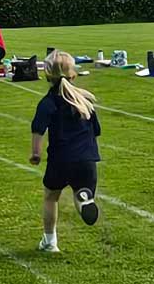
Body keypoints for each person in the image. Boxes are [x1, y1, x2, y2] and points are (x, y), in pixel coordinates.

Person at [30, 51, 103, 253]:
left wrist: (36, 154)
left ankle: (50, 241)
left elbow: (38, 129)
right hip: (87, 159)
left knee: (51, 196)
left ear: (47, 76)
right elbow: (96, 131)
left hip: (60, 159)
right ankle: (84, 199)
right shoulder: (84, 101)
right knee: (82, 191)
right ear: (74, 75)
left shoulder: (48, 103)